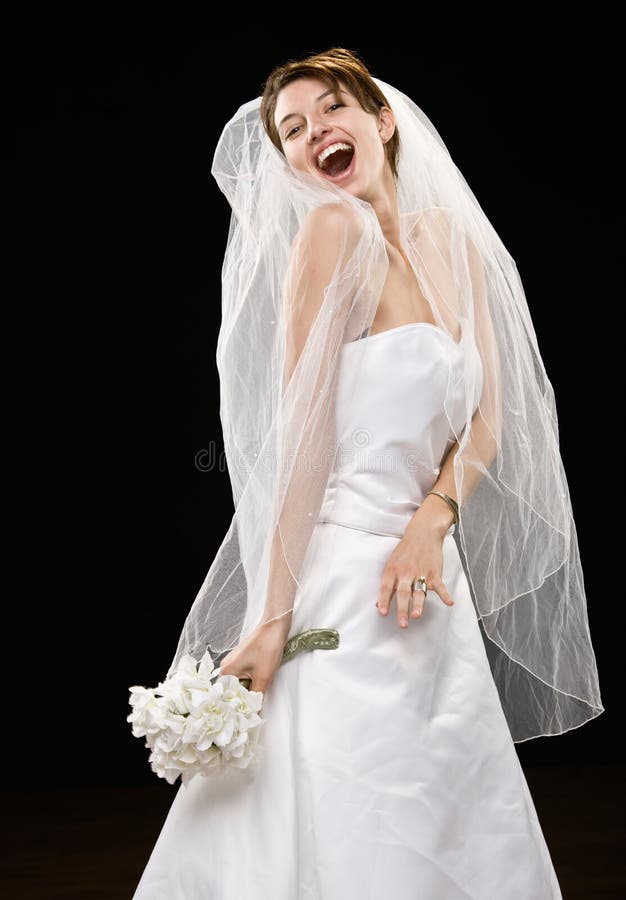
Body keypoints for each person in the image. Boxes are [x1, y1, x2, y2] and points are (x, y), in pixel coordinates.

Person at [131, 48, 603, 899]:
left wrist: (433, 519)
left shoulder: (448, 238)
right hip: (348, 575)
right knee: (357, 808)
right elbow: (301, 443)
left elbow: (490, 415)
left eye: (332, 111)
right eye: (294, 131)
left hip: (430, 579)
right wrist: (274, 613)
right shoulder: (330, 234)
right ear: (292, 166)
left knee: (443, 805)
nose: (317, 134)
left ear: (382, 120)